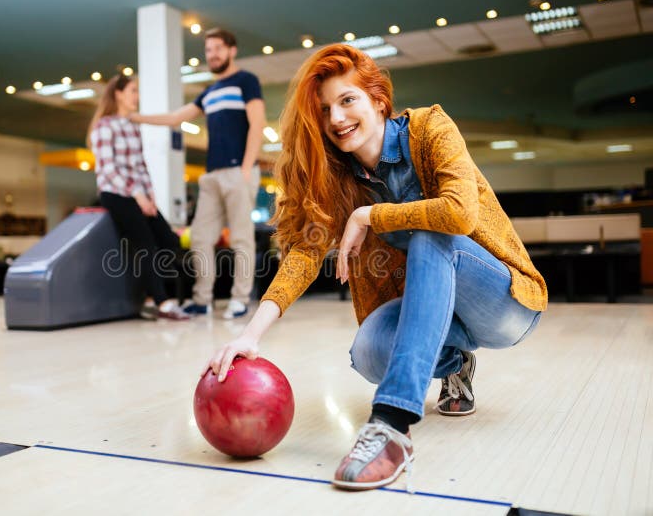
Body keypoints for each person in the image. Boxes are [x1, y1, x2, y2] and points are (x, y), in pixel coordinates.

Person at [202, 44, 547, 490]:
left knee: (431, 230)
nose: (337, 119)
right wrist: (251, 333)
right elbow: (305, 255)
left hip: (503, 304)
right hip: (440, 312)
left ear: (378, 99)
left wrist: (369, 216)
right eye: (326, 110)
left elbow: (460, 213)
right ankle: (455, 362)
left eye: (348, 101)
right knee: (368, 351)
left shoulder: (429, 128)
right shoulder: (340, 180)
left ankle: (391, 426)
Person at [131, 28, 265, 320]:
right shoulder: (210, 92)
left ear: (232, 50)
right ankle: (202, 300)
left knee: (241, 239)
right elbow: (174, 118)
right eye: (208, 50)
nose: (212, 54)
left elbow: (257, 124)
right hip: (211, 176)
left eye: (218, 48)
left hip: (238, 172)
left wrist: (245, 169)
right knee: (201, 237)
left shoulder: (246, 81)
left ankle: (240, 300)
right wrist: (134, 117)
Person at [87, 75, 190, 321]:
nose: (137, 96)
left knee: (168, 239)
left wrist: (151, 196)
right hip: (116, 194)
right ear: (118, 94)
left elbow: (141, 165)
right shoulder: (104, 126)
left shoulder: (133, 126)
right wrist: (137, 195)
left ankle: (147, 297)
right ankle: (162, 303)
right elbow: (108, 168)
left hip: (140, 194)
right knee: (146, 245)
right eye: (133, 91)